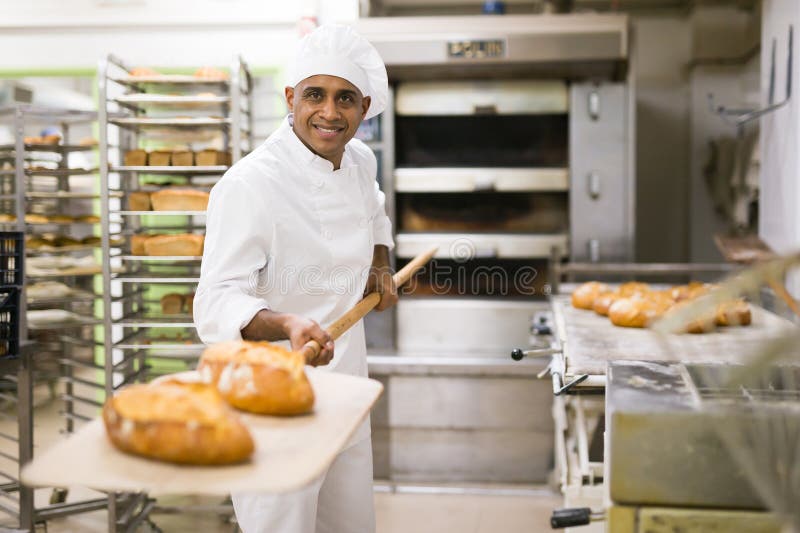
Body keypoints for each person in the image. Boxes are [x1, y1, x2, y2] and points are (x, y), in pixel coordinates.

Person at [193, 24, 396, 533]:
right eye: (315, 95)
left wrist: (380, 260)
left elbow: (374, 212)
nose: (330, 112)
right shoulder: (249, 185)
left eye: (345, 98)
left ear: (364, 107)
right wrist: (286, 323)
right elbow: (215, 302)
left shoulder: (359, 160)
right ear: (290, 97)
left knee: (351, 525)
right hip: (273, 402)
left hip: (346, 387)